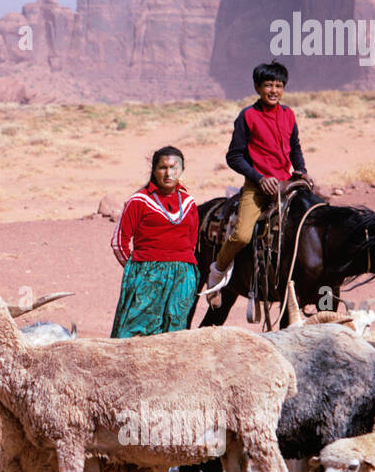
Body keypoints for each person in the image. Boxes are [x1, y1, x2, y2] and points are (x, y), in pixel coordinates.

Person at [201, 60, 312, 306]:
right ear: (257, 87)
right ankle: (217, 272)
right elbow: (234, 156)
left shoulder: (288, 114)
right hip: (257, 186)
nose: (274, 90)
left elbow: (294, 147)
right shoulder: (248, 116)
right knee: (241, 235)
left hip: (287, 185)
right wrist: (259, 178)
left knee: (314, 221)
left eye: (279, 85)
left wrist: (301, 170)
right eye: (268, 85)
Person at [109, 146, 199, 337]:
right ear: (154, 170)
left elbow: (192, 243)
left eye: (174, 168)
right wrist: (137, 270)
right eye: (163, 167)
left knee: (175, 333)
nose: (169, 173)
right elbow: (119, 242)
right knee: (135, 332)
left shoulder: (189, 202)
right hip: (147, 274)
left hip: (183, 276)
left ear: (182, 170)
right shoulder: (139, 201)